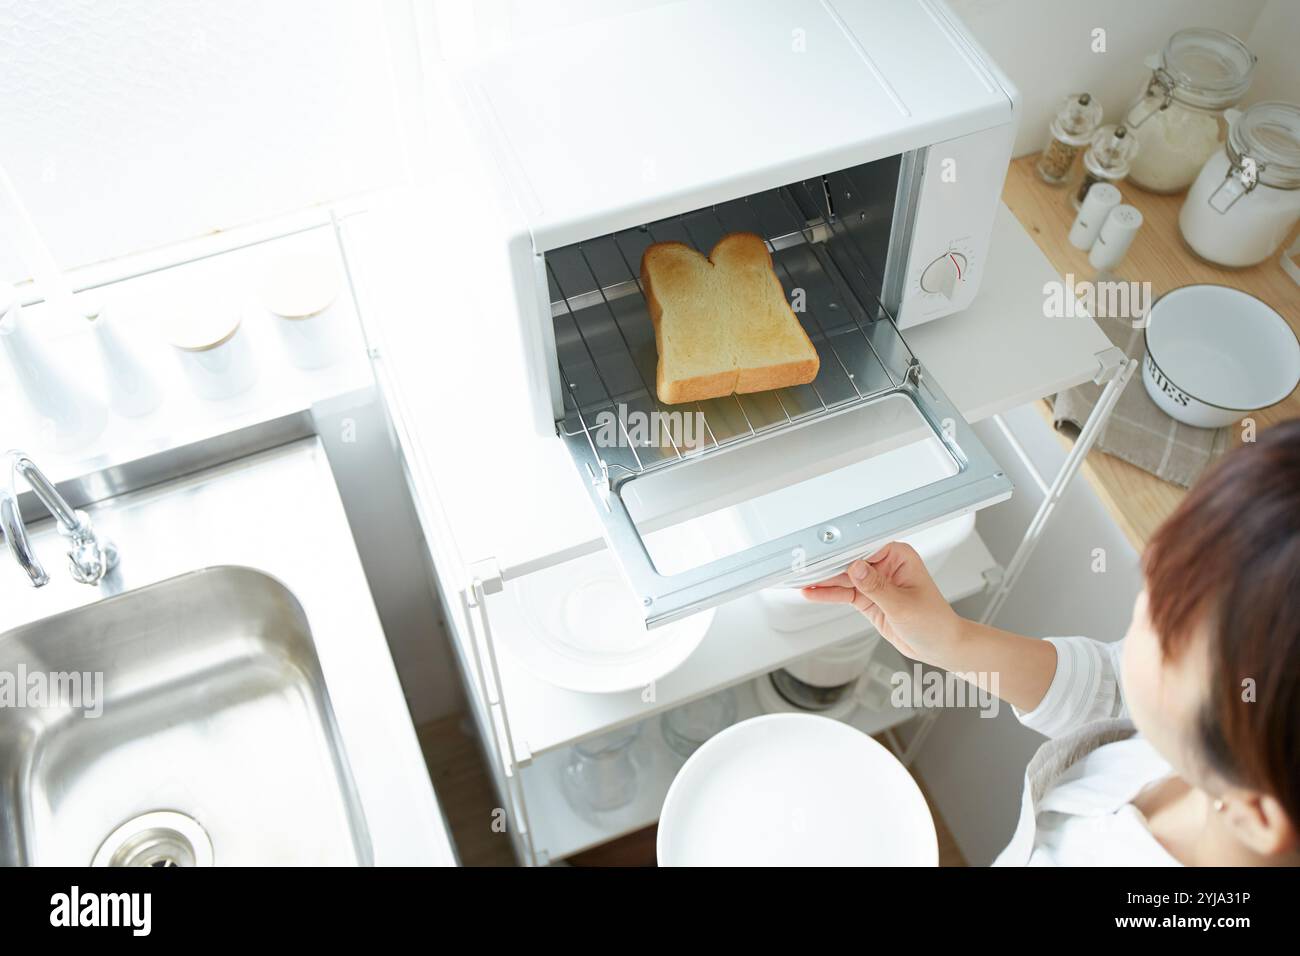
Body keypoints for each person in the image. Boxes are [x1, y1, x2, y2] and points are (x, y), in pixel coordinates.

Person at [802, 420, 1300, 866]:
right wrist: (951, 640)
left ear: (1257, 815)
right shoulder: (1235, 753)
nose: (1146, 581)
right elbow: (1112, 696)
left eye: (1166, 627)